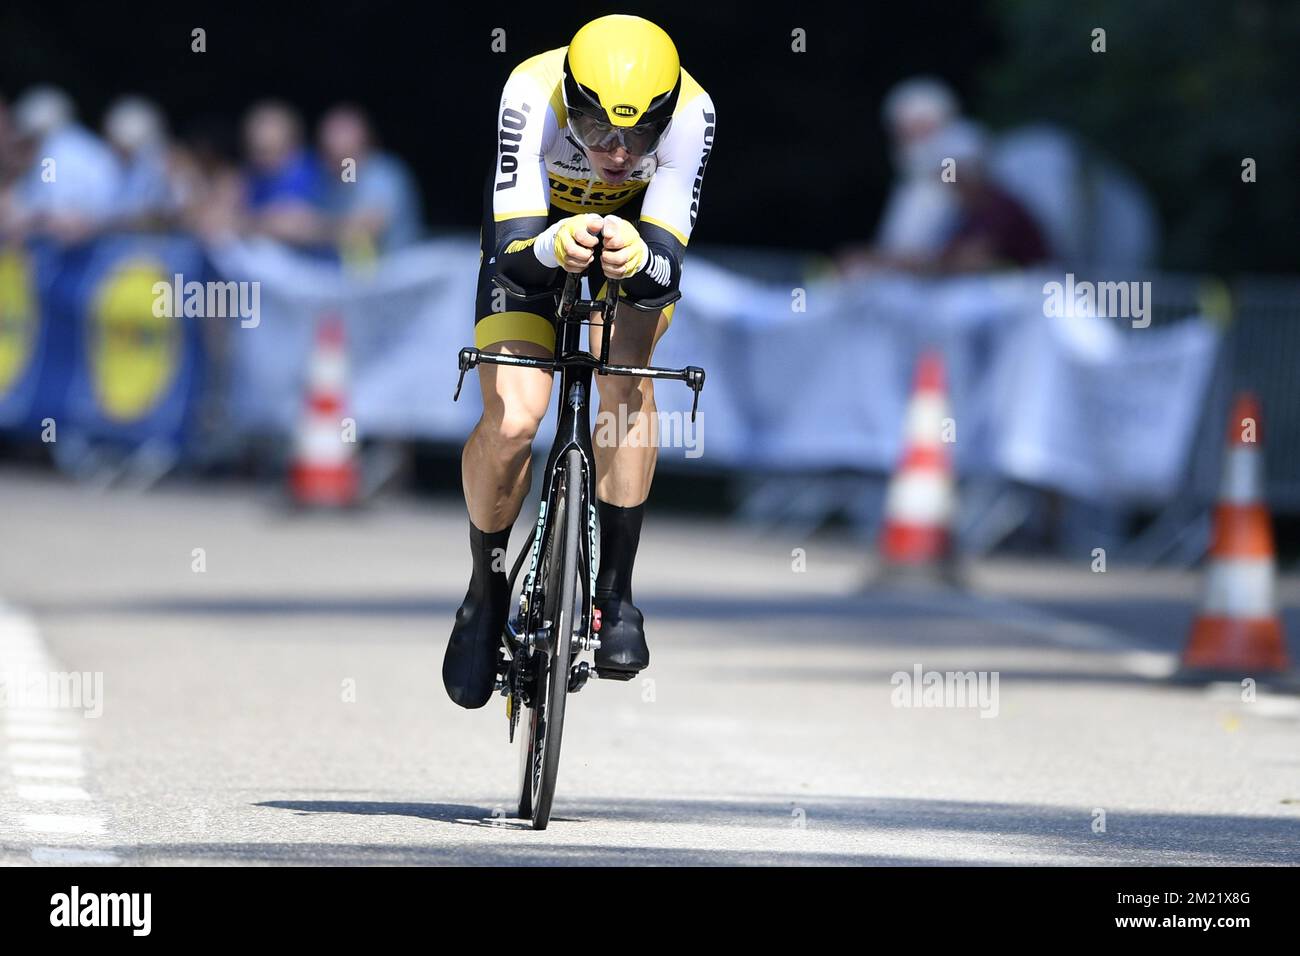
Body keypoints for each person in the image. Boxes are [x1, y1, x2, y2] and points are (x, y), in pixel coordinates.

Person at [443, 14, 716, 709]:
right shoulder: (531, 90)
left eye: (639, 138)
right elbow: (511, 254)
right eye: (597, 133)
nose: (619, 154)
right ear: (572, 101)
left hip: (635, 241)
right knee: (514, 421)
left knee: (625, 379)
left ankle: (617, 594)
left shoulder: (694, 111)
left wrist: (637, 255)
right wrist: (548, 247)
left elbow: (666, 268)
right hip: (534, 231)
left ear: (665, 118)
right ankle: (485, 589)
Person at [317, 105, 422, 256]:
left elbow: (366, 229)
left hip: (397, 265)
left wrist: (307, 227)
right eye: (329, 135)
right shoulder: (343, 174)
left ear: (363, 137)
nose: (333, 141)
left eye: (342, 133)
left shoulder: (381, 171)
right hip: (353, 268)